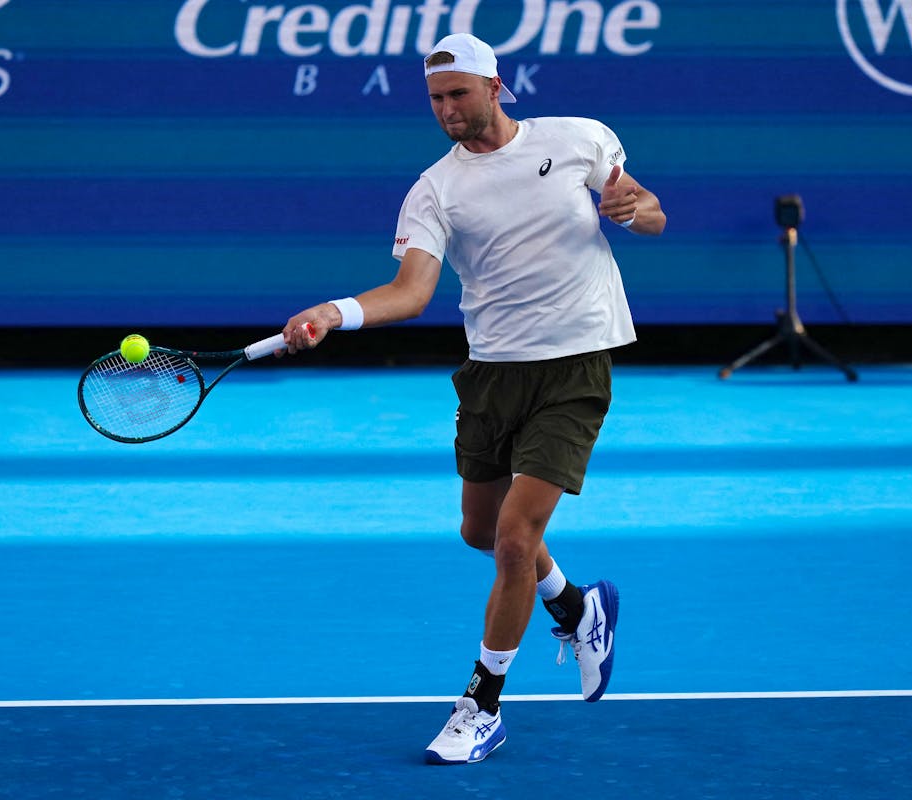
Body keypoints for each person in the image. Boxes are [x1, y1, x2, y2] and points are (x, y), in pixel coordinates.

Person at [279, 32, 666, 764]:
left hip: (574, 367)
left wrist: (635, 210)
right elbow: (410, 292)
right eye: (435, 99)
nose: (447, 109)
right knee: (481, 533)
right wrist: (335, 312)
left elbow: (649, 211)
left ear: (495, 86)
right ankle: (579, 608)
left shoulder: (577, 139)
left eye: (458, 93)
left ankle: (482, 705)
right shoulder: (435, 189)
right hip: (491, 373)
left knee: (516, 539)